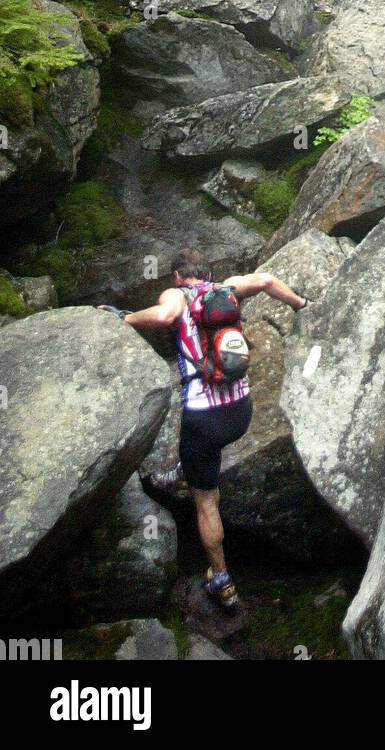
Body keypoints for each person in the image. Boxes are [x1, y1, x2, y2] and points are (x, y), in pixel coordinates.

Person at [99, 248, 309, 609]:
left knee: (206, 501)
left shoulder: (176, 296)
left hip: (203, 419)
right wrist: (302, 304)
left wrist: (126, 317)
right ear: (206, 272)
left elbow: (165, 315)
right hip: (240, 412)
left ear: (178, 276)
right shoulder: (227, 289)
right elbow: (268, 280)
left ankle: (222, 580)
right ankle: (186, 470)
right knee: (200, 459)